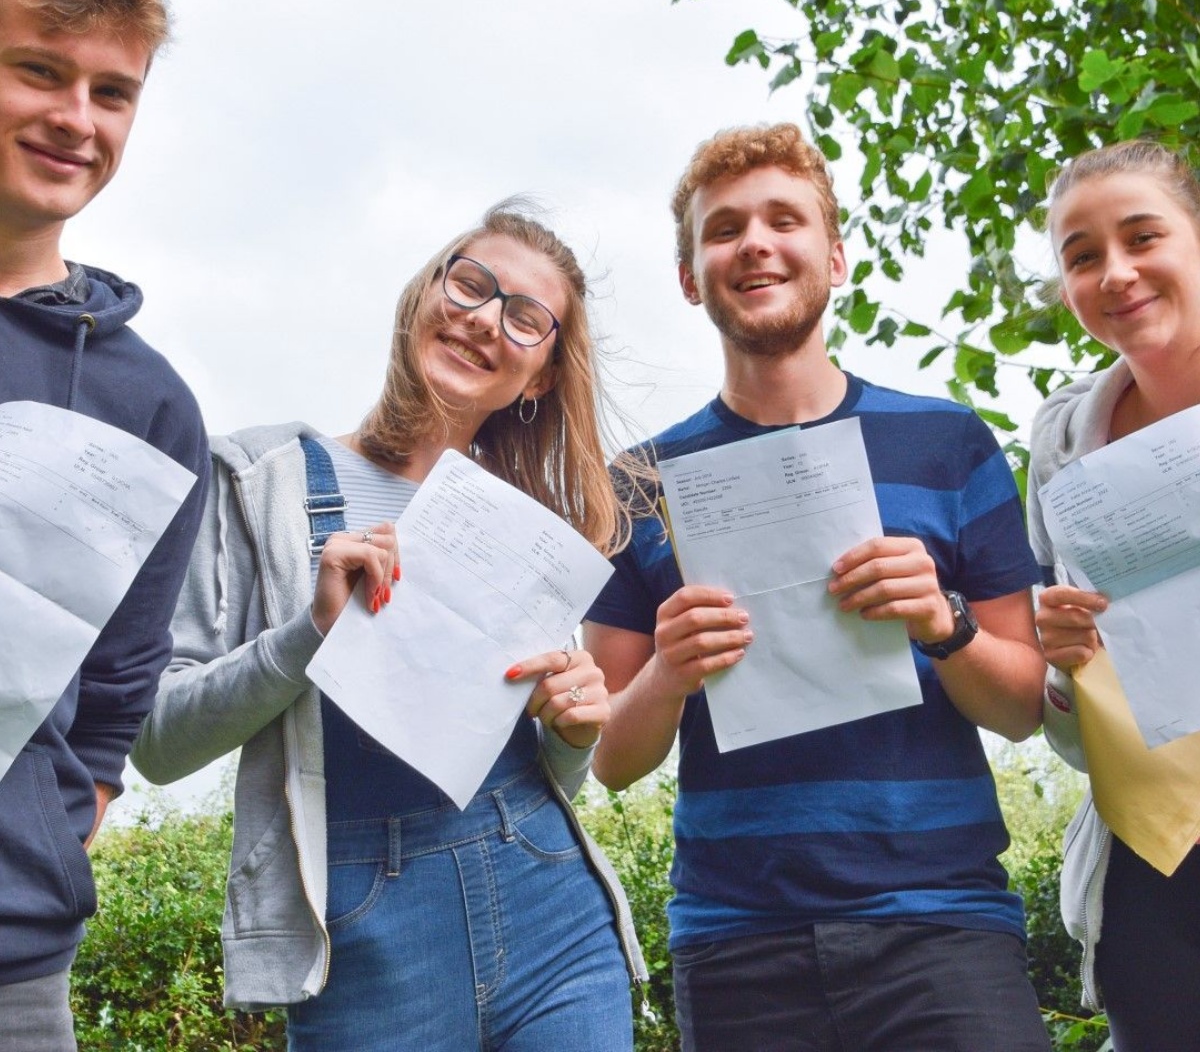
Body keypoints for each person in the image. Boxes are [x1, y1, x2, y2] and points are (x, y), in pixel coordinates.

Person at [130, 203, 646, 1052]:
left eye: (524, 318)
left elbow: (550, 766)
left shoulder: (532, 532)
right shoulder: (260, 482)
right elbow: (158, 740)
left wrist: (576, 731)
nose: (484, 319)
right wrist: (308, 635)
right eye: (472, 285)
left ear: (542, 376)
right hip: (363, 929)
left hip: (551, 904)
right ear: (425, 296)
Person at [585, 122, 1052, 1051]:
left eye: (784, 220)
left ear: (833, 258)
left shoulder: (950, 442)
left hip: (946, 925)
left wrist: (943, 621)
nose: (755, 242)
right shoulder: (637, 482)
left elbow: (1026, 706)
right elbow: (609, 756)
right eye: (724, 229)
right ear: (691, 277)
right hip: (736, 940)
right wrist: (669, 672)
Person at [0, 0, 209, 1048]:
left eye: (111, 91)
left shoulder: (150, 408)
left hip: (12, 971)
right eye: (39, 69)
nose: (75, 119)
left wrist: (38, 831)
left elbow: (119, 694)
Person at [1027, 139, 1200, 1051]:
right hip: (1151, 863)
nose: (1117, 273)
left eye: (1143, 237)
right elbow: (1067, 732)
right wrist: (1062, 669)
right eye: (1083, 255)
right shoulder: (1061, 444)